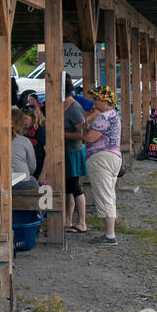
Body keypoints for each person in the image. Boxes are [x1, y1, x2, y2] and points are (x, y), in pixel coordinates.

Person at [83, 85, 122, 244]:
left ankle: (110, 235)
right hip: (114, 157)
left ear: (105, 100)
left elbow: (90, 138)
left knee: (105, 196)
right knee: (109, 194)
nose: (94, 101)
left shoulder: (103, 116)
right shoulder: (114, 115)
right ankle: (109, 233)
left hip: (101, 158)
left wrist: (84, 126)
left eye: (97, 99)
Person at [61, 75, 90, 233]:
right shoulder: (63, 105)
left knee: (75, 186)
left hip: (74, 152)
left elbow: (82, 134)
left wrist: (62, 134)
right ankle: (68, 220)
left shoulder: (74, 107)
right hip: (66, 152)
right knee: (68, 187)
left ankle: (82, 222)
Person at [10, 108, 38, 190]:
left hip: (0, 182)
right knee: (33, 181)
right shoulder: (24, 141)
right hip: (21, 182)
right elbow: (32, 166)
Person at [21, 106, 46, 183]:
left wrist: (43, 174)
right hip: (31, 167)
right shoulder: (28, 130)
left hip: (40, 167)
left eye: (26, 119)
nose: (24, 121)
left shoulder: (41, 132)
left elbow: (49, 154)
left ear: (34, 118)